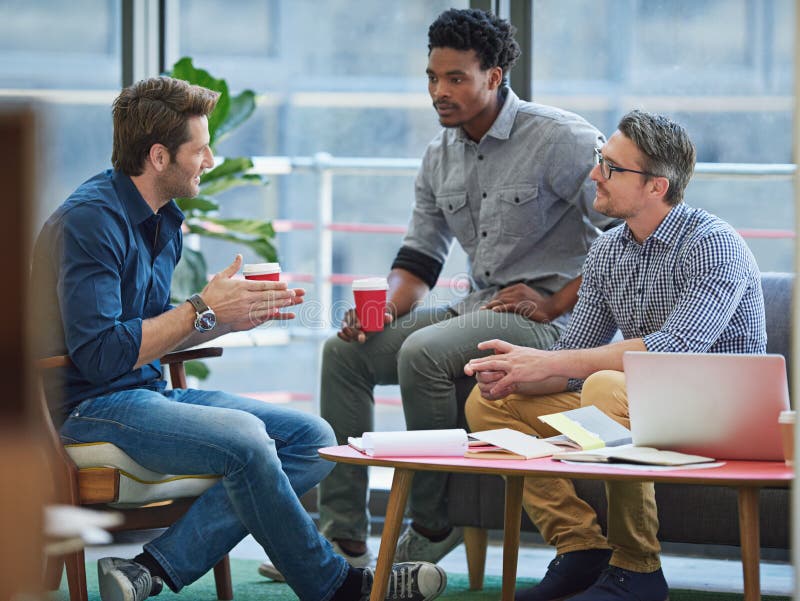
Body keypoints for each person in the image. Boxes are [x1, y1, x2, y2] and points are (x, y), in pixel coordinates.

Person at [32, 76, 447, 601]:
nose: (209, 160)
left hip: (144, 393)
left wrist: (225, 318)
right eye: (200, 150)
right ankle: (340, 586)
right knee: (246, 439)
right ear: (159, 157)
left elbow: (150, 327)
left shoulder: (162, 220)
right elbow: (100, 355)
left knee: (315, 439)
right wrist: (202, 307)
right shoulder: (91, 221)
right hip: (88, 404)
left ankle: (150, 571)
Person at [278, 7, 616, 578]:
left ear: (495, 74)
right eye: (433, 77)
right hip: (478, 308)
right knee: (344, 354)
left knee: (424, 352)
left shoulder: (562, 139)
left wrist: (557, 301)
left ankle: (434, 525)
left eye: (456, 78)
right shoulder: (439, 155)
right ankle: (340, 542)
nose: (440, 91)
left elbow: (625, 237)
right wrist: (381, 308)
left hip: (548, 324)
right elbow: (419, 258)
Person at [464, 110, 766, 601]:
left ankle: (638, 569)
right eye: (599, 161)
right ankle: (580, 546)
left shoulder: (713, 244)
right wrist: (517, 372)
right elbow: (571, 358)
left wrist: (553, 364)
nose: (593, 175)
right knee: (488, 404)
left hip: (721, 418)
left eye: (611, 167)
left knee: (607, 386)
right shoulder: (608, 252)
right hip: (644, 407)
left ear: (656, 187)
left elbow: (670, 351)